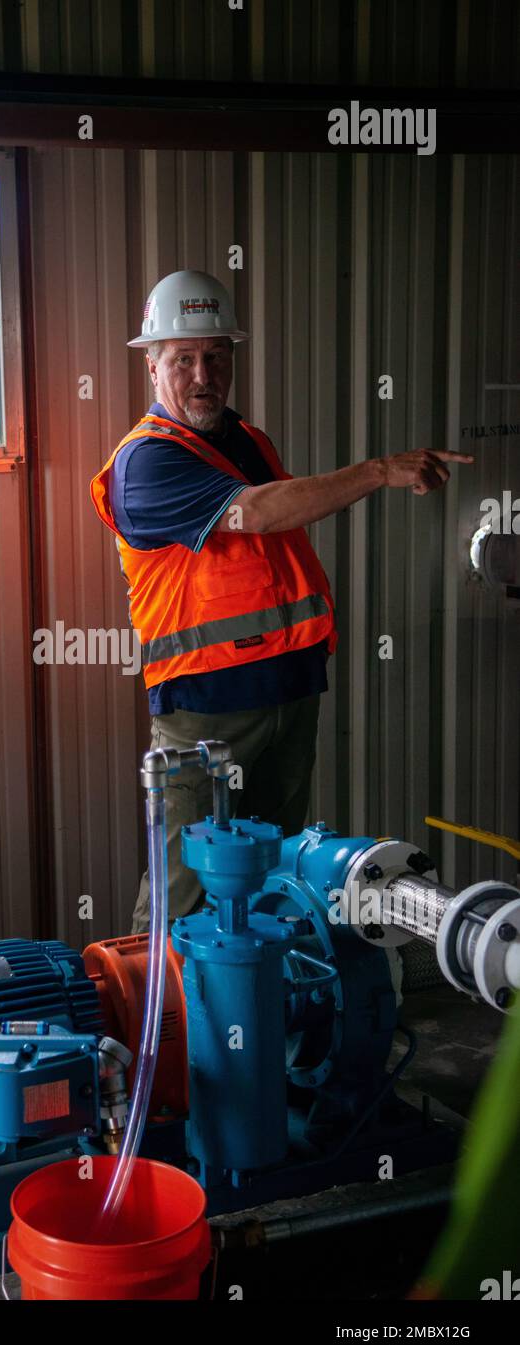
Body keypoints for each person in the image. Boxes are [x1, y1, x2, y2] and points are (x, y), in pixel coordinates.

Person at [90, 269, 473, 932]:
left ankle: (260, 1027)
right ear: (152, 366)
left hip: (288, 692)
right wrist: (380, 470)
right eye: (183, 359)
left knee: (270, 881)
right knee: (183, 896)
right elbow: (257, 514)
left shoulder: (244, 438)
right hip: (205, 713)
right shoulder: (146, 462)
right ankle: (157, 1029)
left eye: (216, 356)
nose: (202, 374)